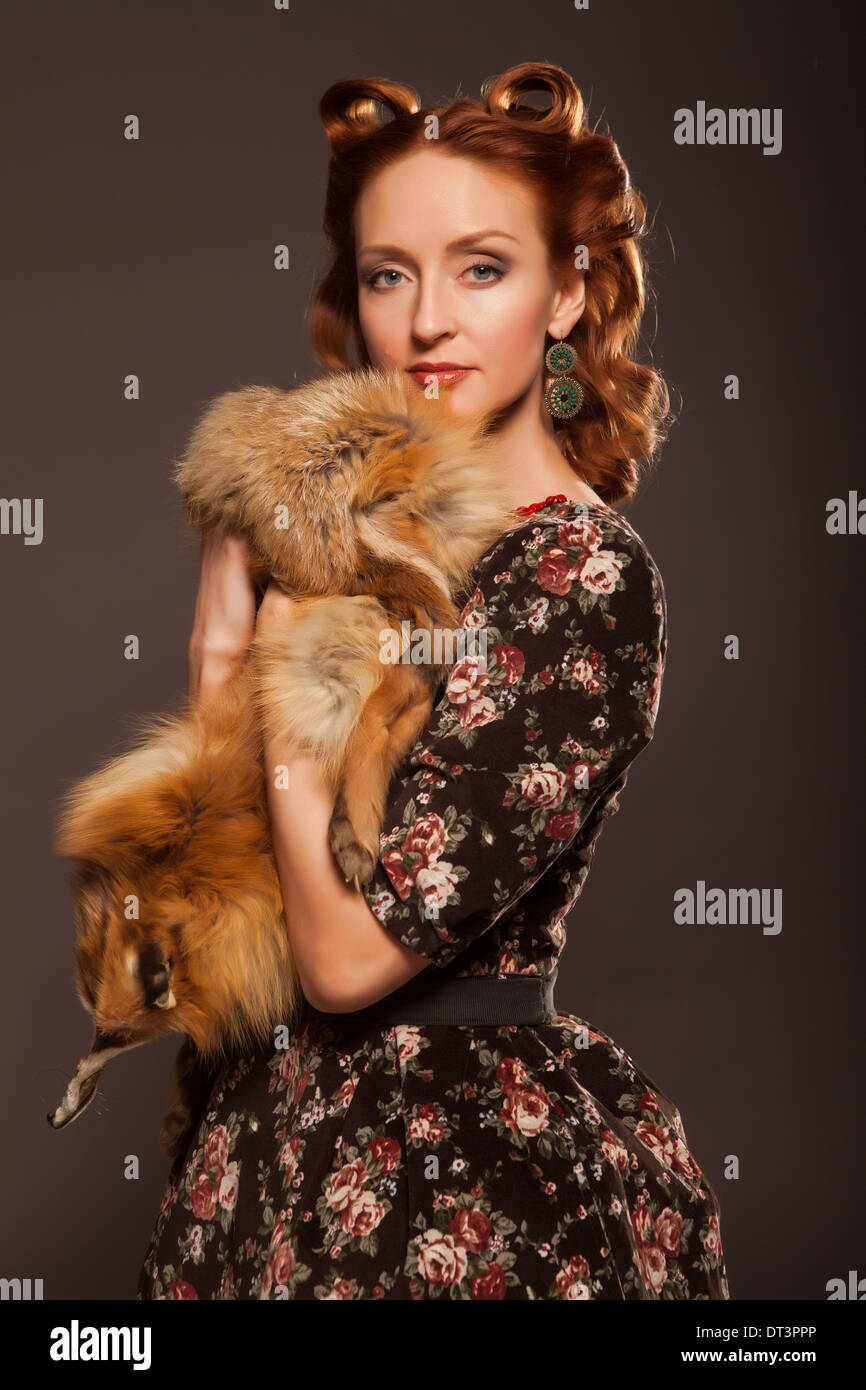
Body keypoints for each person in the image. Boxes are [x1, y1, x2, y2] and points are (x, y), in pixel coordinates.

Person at [136, 61, 730, 1300]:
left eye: (481, 267)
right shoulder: (338, 543)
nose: (424, 323)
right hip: (262, 1151)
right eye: (386, 274)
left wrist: (286, 651)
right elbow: (213, 886)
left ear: (566, 291)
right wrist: (215, 638)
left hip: (449, 1180)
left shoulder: (576, 576)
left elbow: (347, 960)